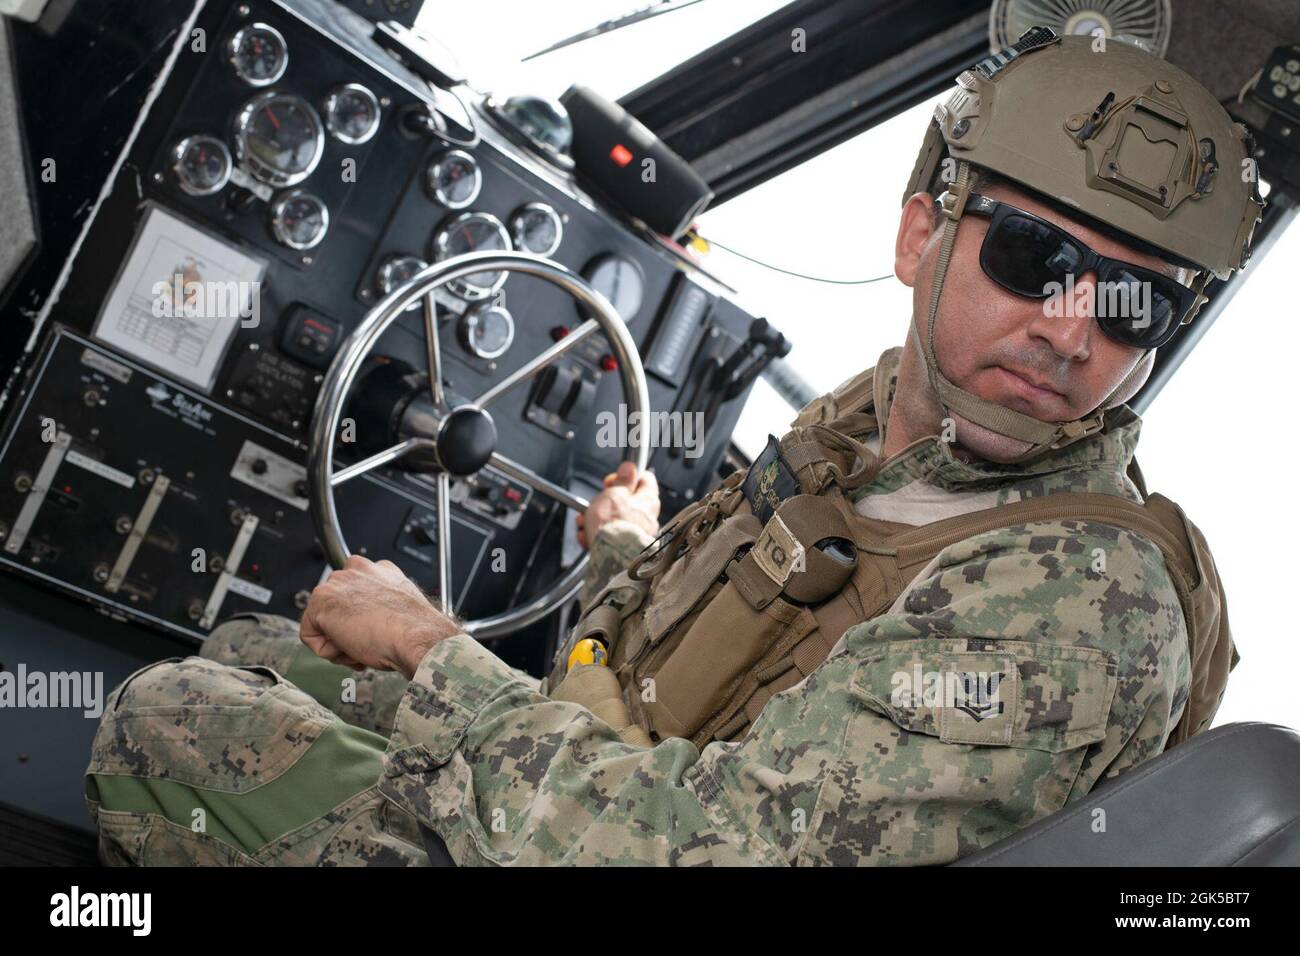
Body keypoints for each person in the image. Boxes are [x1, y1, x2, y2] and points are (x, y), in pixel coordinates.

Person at [85, 29, 1259, 866]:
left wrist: (435, 650)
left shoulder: (1077, 601)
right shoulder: (875, 431)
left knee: (175, 718)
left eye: (1131, 305)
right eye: (1034, 259)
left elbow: (709, 845)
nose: (1068, 329)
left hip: (643, 834)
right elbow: (710, 653)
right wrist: (622, 553)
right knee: (254, 642)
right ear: (920, 233)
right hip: (614, 770)